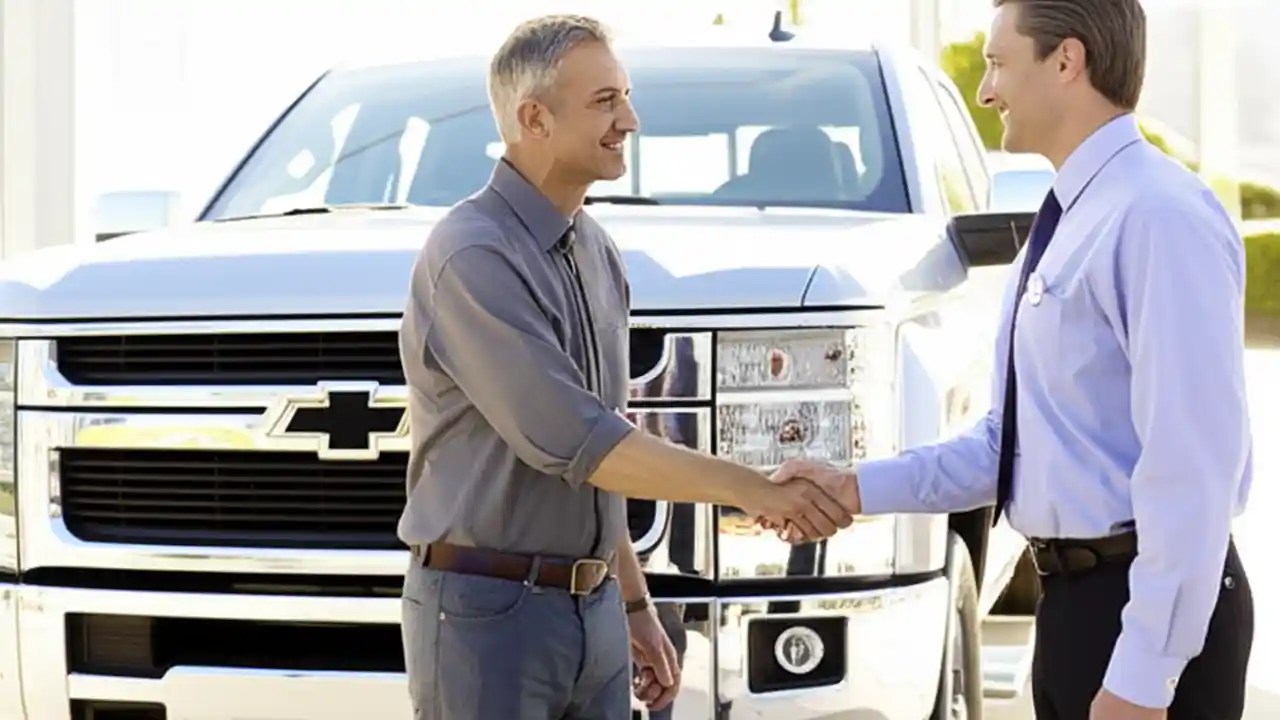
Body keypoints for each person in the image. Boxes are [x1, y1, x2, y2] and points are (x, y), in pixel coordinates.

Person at [772, 1, 1255, 718]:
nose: (985, 90)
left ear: (1067, 61)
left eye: (999, 63)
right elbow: (1008, 447)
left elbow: (1192, 469)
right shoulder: (1070, 220)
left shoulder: (1159, 218)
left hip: (1143, 620)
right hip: (1076, 610)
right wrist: (851, 488)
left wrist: (1144, 676)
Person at [396, 14, 853, 720]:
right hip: (489, 622)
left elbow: (608, 453)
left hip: (595, 611)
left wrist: (634, 605)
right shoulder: (472, 256)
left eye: (626, 97)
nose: (631, 120)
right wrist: (760, 492)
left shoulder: (599, 253)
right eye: (605, 101)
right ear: (533, 118)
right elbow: (579, 441)